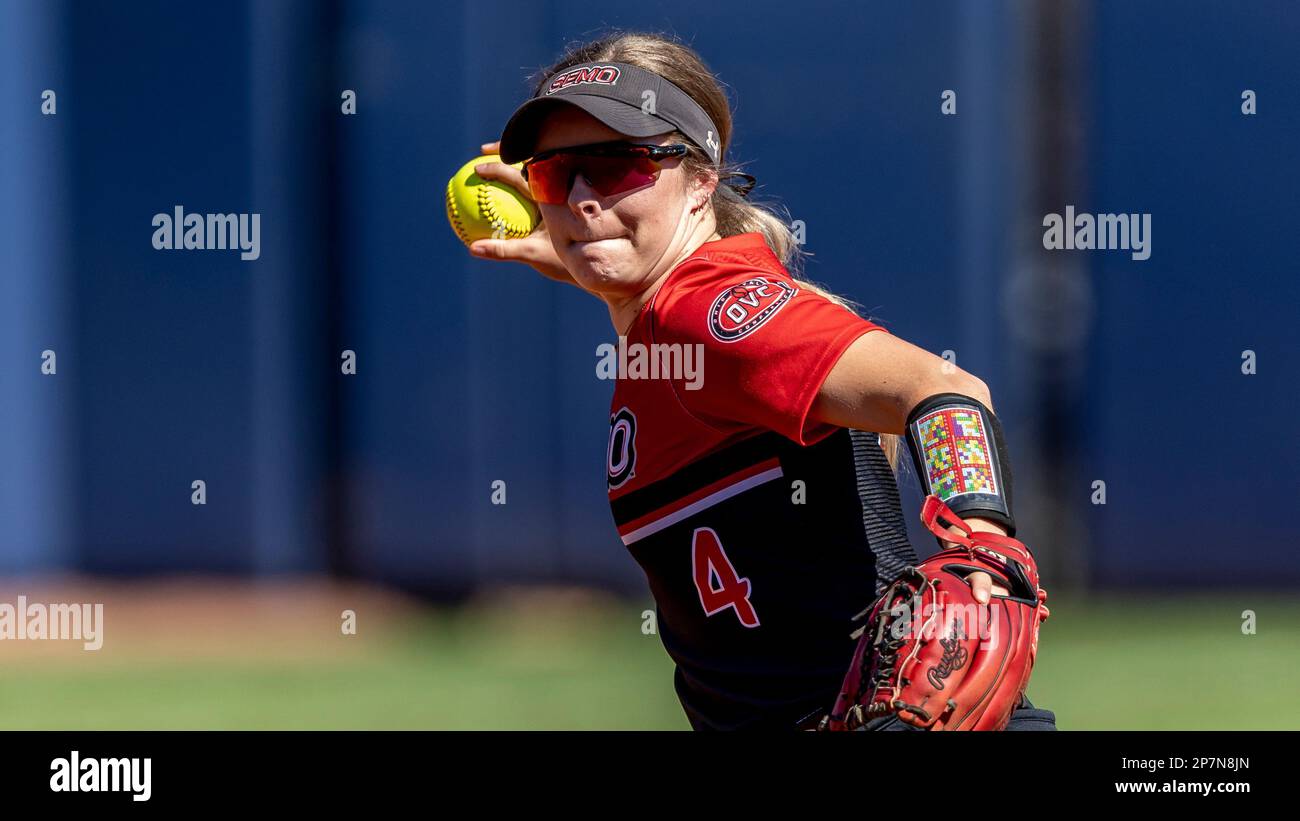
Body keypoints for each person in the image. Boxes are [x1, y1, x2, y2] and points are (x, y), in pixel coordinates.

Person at [469, 31, 1056, 731]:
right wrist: (603, 268)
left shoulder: (706, 312)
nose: (584, 200)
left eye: (620, 165)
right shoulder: (666, 315)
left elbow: (945, 388)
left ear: (700, 181)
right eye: (555, 174)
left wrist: (981, 543)